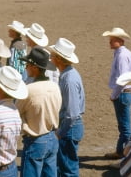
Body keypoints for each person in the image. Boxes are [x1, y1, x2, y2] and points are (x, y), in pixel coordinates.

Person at [16, 47, 61, 177]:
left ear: (34, 67)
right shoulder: (55, 87)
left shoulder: (29, 90)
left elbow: (16, 112)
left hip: (35, 140)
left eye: (27, 65)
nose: (25, 68)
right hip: (52, 137)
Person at [49, 38, 84, 177]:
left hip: (68, 128)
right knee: (64, 166)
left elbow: (72, 113)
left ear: (59, 58)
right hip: (70, 127)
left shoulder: (68, 79)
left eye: (52, 55)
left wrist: (60, 133)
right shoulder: (68, 75)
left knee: (67, 169)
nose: (50, 57)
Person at [104, 27, 131, 160]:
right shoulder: (125, 53)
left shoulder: (121, 55)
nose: (110, 42)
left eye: (113, 40)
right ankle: (120, 151)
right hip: (127, 92)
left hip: (123, 93)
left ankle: (126, 156)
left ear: (120, 41)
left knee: (125, 127)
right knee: (124, 126)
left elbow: (122, 78)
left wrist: (114, 95)